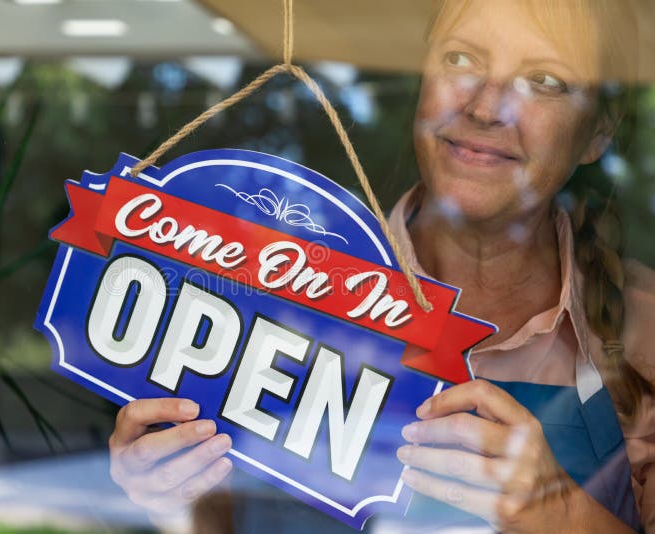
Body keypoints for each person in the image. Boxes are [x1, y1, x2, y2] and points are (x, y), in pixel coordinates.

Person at [108, 0, 655, 531]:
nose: (487, 107)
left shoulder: (646, 334)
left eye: (543, 78)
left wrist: (560, 517)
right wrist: (176, 499)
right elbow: (231, 518)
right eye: (461, 59)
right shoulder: (274, 291)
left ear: (601, 130)